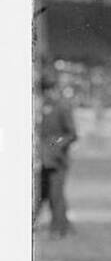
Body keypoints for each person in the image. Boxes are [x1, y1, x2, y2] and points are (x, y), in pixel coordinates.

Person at [35, 72, 78, 237]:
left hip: (57, 160)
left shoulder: (62, 107)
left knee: (56, 195)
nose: (47, 94)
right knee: (40, 194)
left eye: (48, 90)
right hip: (42, 159)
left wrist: (54, 144)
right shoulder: (39, 108)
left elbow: (71, 134)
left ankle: (58, 229)